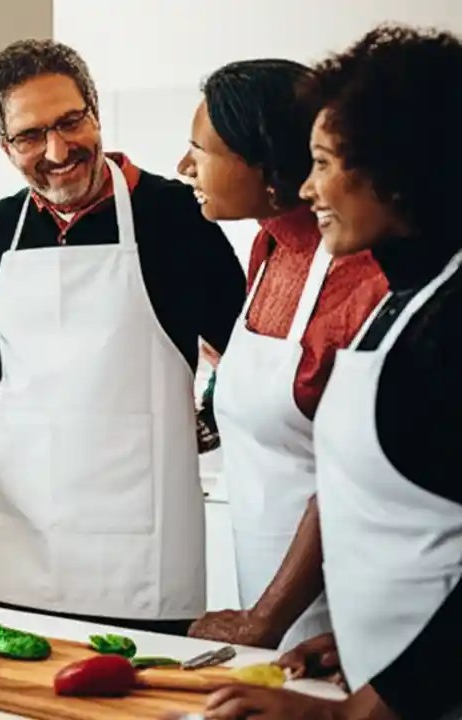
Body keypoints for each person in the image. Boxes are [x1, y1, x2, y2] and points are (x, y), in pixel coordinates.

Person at [204, 24, 462, 720]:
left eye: (322, 162)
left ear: (397, 169)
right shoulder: (409, 300)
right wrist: (359, 647)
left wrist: (360, 708)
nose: (308, 187)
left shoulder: (448, 323)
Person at [0, 39, 247, 634]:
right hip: (23, 542)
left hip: (141, 547)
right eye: (29, 135)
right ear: (5, 146)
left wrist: (209, 416)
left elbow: (250, 357)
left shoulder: (177, 214)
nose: (57, 150)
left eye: (70, 121)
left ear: (95, 112)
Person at [178, 60, 387, 651]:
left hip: (339, 607)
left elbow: (346, 475)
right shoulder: (268, 246)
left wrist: (266, 618)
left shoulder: (362, 281)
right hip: (261, 587)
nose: (185, 167)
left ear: (268, 168)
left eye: (201, 150)